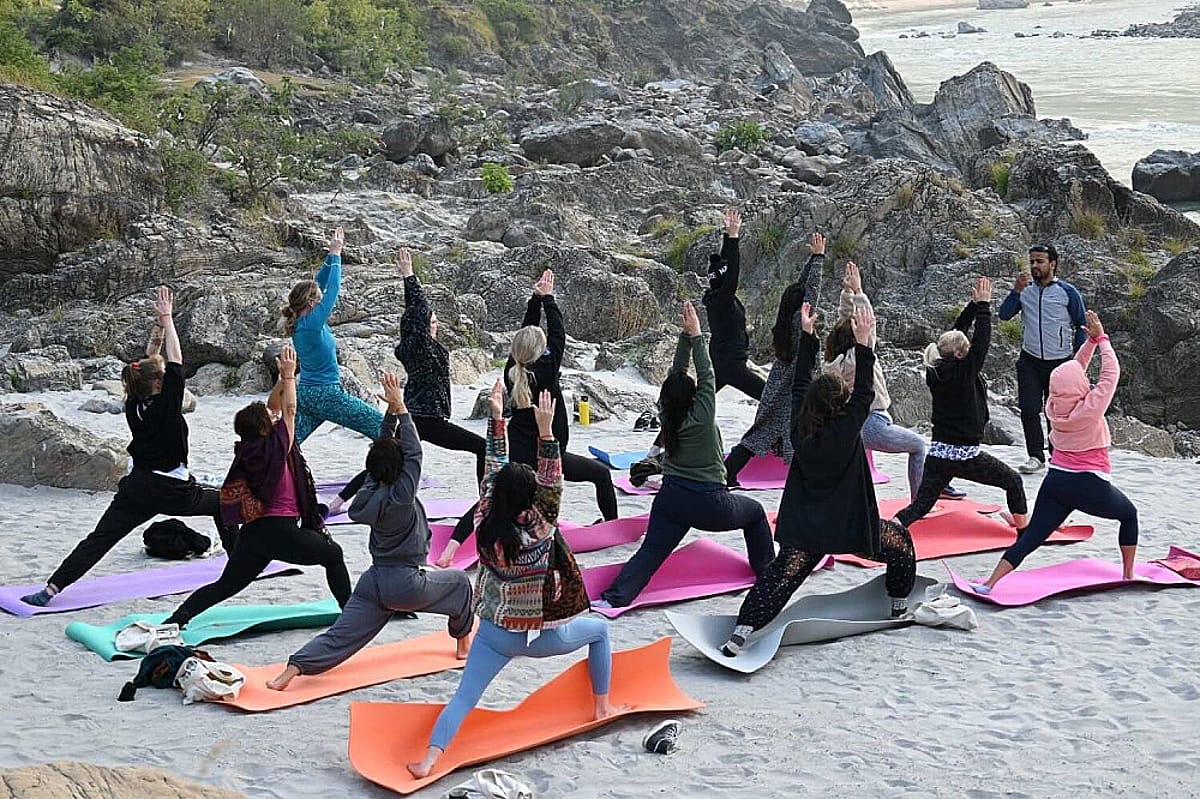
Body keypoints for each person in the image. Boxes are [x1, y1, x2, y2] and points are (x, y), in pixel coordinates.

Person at [407, 385, 619, 779]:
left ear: (496, 496)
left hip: (494, 634)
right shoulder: (542, 524)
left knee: (464, 698)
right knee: (600, 633)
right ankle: (602, 706)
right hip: (543, 637)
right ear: (533, 499)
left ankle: (428, 761)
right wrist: (546, 431)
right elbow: (552, 479)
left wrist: (497, 418)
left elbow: (493, 469)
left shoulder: (484, 521)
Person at [21, 287, 238, 607]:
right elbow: (176, 360)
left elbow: (154, 362)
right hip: (174, 489)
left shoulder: (134, 402)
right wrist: (168, 319)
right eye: (163, 376)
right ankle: (238, 566)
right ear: (159, 384)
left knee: (100, 539)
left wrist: (158, 328)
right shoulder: (166, 406)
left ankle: (51, 589)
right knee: (224, 501)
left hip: (137, 487)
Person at [722, 303, 917, 655]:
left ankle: (741, 632)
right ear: (841, 405)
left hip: (808, 531)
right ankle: (898, 605)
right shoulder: (846, 428)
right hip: (851, 527)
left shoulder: (799, 427)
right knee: (900, 543)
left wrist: (808, 337)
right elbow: (865, 392)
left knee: (779, 580)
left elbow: (799, 385)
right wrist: (864, 344)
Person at [267, 372, 473, 690]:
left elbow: (382, 453)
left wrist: (390, 415)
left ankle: (291, 671)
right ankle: (462, 644)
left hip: (373, 582)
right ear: (399, 470)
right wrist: (402, 408)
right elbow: (415, 453)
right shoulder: (402, 496)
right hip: (407, 583)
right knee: (460, 584)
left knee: (341, 636)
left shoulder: (366, 494)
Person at [597, 302, 776, 609]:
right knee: (756, 513)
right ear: (694, 396)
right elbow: (707, 374)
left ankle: (614, 599)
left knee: (651, 553)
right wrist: (696, 336)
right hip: (710, 504)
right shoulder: (702, 414)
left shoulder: (667, 413)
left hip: (671, 500)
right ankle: (770, 579)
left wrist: (686, 337)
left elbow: (677, 374)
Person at [433, 270, 618, 566]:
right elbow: (558, 333)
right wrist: (548, 299)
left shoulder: (512, 369)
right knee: (601, 475)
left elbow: (530, 334)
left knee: (489, 501)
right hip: (548, 455)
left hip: (517, 455)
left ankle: (450, 551)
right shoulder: (546, 372)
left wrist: (536, 300)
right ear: (541, 352)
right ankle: (613, 527)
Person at [162, 345, 351, 627]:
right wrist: (288, 377)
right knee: (334, 555)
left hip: (254, 535)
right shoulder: (278, 447)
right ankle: (351, 615)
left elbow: (274, 408)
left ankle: (178, 618)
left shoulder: (249, 448)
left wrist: (281, 380)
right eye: (270, 420)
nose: (274, 417)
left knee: (226, 585)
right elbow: (288, 409)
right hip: (281, 532)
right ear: (267, 427)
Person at [972, 311, 1137, 592]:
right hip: (1089, 484)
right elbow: (1111, 374)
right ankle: (1129, 574)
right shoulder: (1090, 409)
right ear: (1080, 387)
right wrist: (1104, 339)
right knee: (1129, 515)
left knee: (1031, 538)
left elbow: (1074, 369)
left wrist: (1091, 341)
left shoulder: (1054, 408)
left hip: (1056, 482)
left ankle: (990, 583)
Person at [324, 248, 486, 519]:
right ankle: (486, 502)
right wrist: (409, 277)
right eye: (430, 323)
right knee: (481, 446)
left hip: (417, 417)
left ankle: (339, 500)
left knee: (386, 458)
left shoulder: (423, 346)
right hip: (427, 420)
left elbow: (419, 317)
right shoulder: (420, 346)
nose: (434, 326)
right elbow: (418, 309)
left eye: (435, 322)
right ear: (420, 327)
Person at [894, 278, 1029, 531]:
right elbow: (981, 343)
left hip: (938, 455)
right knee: (1013, 481)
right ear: (960, 355)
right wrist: (985, 309)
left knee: (920, 506)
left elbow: (958, 332)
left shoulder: (935, 368)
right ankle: (1024, 529)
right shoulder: (964, 371)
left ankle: (891, 527)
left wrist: (974, 305)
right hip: (966, 455)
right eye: (966, 349)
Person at [822, 262, 964, 502]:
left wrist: (848, 294)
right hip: (872, 423)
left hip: (850, 424)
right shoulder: (859, 358)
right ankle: (921, 502)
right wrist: (859, 292)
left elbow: (846, 320)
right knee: (919, 446)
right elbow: (869, 324)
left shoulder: (835, 359)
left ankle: (933, 489)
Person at [723, 232, 825, 487]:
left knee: (761, 434)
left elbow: (803, 290)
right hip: (792, 390)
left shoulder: (785, 319)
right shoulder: (797, 323)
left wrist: (812, 260)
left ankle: (728, 472)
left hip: (779, 387)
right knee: (798, 435)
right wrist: (819, 258)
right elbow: (811, 294)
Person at [284, 226, 385, 444]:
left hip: (308, 394)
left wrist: (330, 255)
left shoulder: (302, 321)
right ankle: (391, 472)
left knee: (290, 442)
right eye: (317, 297)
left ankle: (270, 473)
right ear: (311, 302)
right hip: (326, 395)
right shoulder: (312, 324)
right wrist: (338, 254)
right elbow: (334, 288)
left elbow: (318, 284)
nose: (321, 298)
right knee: (379, 424)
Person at [997, 244, 1088, 474]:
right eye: (1032, 262)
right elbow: (1004, 315)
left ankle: (1058, 456)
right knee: (1028, 409)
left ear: (1052, 264)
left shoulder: (1067, 292)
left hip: (1060, 362)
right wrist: (1016, 291)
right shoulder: (1024, 290)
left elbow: (1082, 325)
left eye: (1040, 261)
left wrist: (1077, 361)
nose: (1035, 266)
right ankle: (1035, 456)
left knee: (1056, 412)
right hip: (1030, 360)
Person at [703, 207, 768, 400]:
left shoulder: (716, 296)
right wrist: (733, 238)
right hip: (732, 366)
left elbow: (725, 269)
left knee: (698, 401)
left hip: (724, 361)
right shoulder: (724, 299)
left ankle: (671, 424)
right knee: (769, 398)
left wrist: (729, 236)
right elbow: (731, 274)